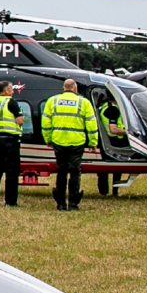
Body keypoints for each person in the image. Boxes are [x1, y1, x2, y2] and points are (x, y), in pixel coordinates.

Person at [41, 78, 97, 211]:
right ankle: (73, 203)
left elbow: (46, 123)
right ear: (75, 88)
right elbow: (91, 123)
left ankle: (60, 203)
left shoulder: (52, 101)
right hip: (77, 141)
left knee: (61, 171)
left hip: (58, 140)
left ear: (64, 87)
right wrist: (93, 142)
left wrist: (48, 139)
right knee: (75, 171)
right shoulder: (84, 102)